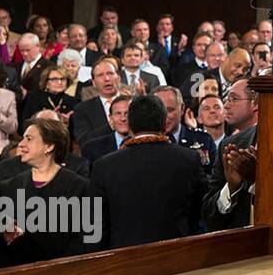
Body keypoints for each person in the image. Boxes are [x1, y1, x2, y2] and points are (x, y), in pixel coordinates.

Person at [87, 94, 206, 249]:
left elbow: (95, 227)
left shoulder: (104, 166)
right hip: (177, 259)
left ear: (130, 124)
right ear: (164, 123)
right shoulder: (189, 159)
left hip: (123, 262)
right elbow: (201, 213)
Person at [0, 117, 91, 266]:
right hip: (19, 273)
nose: (21, 144)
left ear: (49, 146)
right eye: (22, 139)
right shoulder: (8, 187)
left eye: (29, 139)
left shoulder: (79, 187)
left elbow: (87, 239)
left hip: (65, 274)